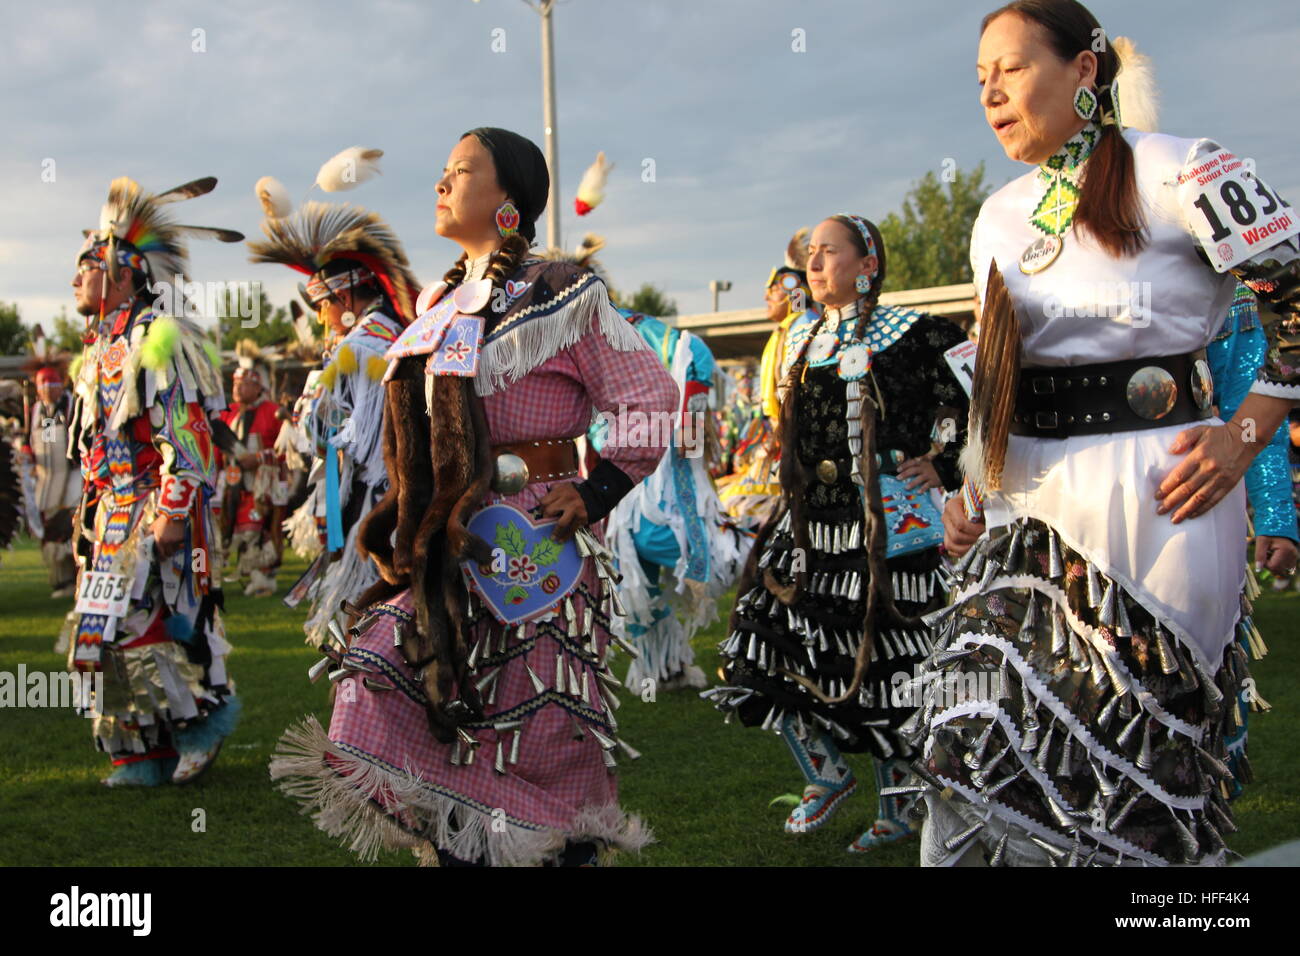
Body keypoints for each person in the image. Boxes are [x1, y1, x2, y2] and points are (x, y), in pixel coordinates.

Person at [922, 0, 1300, 866]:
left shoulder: (1183, 169)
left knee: (1132, 762)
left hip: (1160, 493)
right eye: (980, 78)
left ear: (1085, 71)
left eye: (1011, 68)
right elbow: (999, 372)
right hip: (1024, 503)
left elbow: (1296, 299)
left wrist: (1245, 436)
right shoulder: (998, 216)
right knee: (969, 741)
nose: (991, 92)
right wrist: (972, 486)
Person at [272, 127, 679, 866]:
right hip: (448, 547)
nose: (441, 183)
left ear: (508, 201)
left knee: (534, 734)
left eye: (460, 171)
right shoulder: (438, 301)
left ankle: (547, 853)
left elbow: (648, 394)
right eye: (442, 170)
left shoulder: (562, 290)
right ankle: (463, 850)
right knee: (388, 680)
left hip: (534, 550)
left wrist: (598, 490)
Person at [705, 213, 969, 852]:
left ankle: (901, 803)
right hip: (808, 524)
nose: (815, 264)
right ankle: (825, 772)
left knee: (884, 661)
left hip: (887, 524)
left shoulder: (916, 333)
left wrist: (944, 461)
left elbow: (971, 397)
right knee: (757, 645)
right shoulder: (799, 337)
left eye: (829, 252)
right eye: (810, 255)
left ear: (867, 263)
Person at [67, 175, 244, 787]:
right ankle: (141, 751)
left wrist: (171, 508)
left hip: (153, 508)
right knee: (105, 633)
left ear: (121, 268)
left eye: (86, 264)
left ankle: (201, 730)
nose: (75, 278)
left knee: (170, 620)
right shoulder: (96, 347)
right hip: (110, 513)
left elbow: (187, 432)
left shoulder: (155, 336)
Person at [247, 179, 421, 647]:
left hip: (373, 503)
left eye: (323, 304)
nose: (321, 315)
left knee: (363, 623)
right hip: (402, 500)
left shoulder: (362, 347)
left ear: (345, 299)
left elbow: (351, 440)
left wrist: (311, 414)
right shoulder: (395, 338)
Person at [601, 306, 750, 692]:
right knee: (645, 573)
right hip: (632, 487)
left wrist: (690, 427)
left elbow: (688, 438)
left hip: (650, 484)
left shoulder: (670, 344)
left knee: (678, 561)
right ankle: (664, 668)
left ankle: (669, 666)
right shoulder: (610, 334)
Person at [718, 234, 819, 527]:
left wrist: (781, 438)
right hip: (782, 439)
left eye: (773, 290)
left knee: (742, 508)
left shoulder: (806, 327)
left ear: (794, 292)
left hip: (800, 442)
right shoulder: (787, 329)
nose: (765, 297)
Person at [218, 341, 287, 597]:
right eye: (235, 383)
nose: (237, 387)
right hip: (233, 484)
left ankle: (263, 577)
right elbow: (216, 449)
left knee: (262, 528)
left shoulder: (273, 412)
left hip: (264, 484)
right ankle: (248, 572)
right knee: (236, 527)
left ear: (258, 385)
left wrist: (259, 457)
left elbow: (287, 449)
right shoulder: (227, 413)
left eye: (243, 383)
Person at [21, 340, 81, 598]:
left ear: (61, 385)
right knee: (51, 531)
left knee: (73, 526)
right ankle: (61, 580)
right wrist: (26, 454)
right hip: (46, 480)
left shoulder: (73, 404)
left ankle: (80, 578)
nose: (47, 390)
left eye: (52, 384)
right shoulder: (36, 412)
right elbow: (30, 441)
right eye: (42, 385)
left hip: (72, 477)